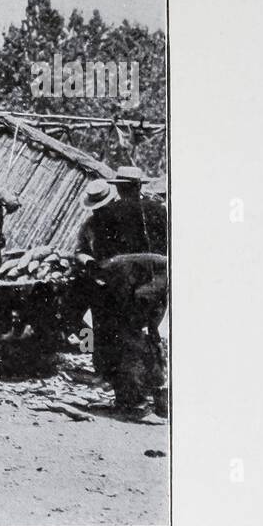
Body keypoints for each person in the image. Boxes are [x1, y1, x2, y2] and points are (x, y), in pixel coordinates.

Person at [74, 167, 169, 416]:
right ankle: (158, 389)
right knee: (151, 333)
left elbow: (99, 255)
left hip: (123, 281)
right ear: (139, 186)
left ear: (118, 187)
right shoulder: (160, 211)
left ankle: (132, 398)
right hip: (158, 280)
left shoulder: (104, 216)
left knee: (125, 337)